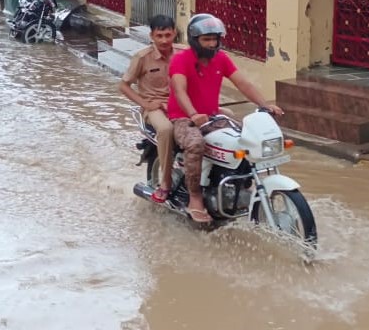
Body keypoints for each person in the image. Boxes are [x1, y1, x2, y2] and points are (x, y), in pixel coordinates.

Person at [167, 14, 283, 223]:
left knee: (247, 139)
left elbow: (243, 84)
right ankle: (195, 198)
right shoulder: (180, 60)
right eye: (206, 39)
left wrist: (265, 105)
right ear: (194, 40)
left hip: (212, 116)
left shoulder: (221, 58)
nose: (212, 44)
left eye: (215, 39)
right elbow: (179, 90)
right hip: (183, 118)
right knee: (195, 144)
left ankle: (242, 187)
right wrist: (193, 114)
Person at [119, 15, 180, 204]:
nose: (164, 40)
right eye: (159, 36)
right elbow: (123, 86)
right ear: (152, 36)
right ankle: (165, 182)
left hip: (181, 104)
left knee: (223, 120)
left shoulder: (184, 54)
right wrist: (146, 104)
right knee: (166, 129)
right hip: (154, 107)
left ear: (174, 34)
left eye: (168, 35)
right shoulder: (142, 57)